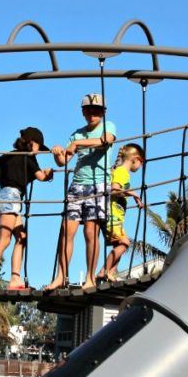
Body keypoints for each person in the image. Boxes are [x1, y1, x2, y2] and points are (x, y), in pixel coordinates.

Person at [48, 94, 117, 290]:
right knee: (66, 232)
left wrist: (77, 145)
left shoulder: (108, 126)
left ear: (103, 112)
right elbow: (63, 162)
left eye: (97, 110)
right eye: (89, 109)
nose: (93, 113)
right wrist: (58, 153)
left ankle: (90, 277)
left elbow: (106, 140)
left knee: (90, 232)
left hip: (99, 184)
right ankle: (61, 276)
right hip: (77, 185)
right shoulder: (76, 134)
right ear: (83, 112)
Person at [0, 127, 54, 290]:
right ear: (32, 144)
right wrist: (50, 174)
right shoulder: (29, 159)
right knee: (4, 240)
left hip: (7, 197)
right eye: (39, 147)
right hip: (11, 197)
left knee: (21, 237)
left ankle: (15, 279)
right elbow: (41, 177)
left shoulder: (10, 155)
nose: (39, 152)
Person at [99, 143, 145, 283]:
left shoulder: (120, 171)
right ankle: (104, 271)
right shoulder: (121, 172)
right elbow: (114, 189)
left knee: (119, 245)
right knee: (124, 242)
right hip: (112, 216)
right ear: (135, 159)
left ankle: (111, 273)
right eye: (142, 163)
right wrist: (133, 194)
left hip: (117, 217)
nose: (140, 166)